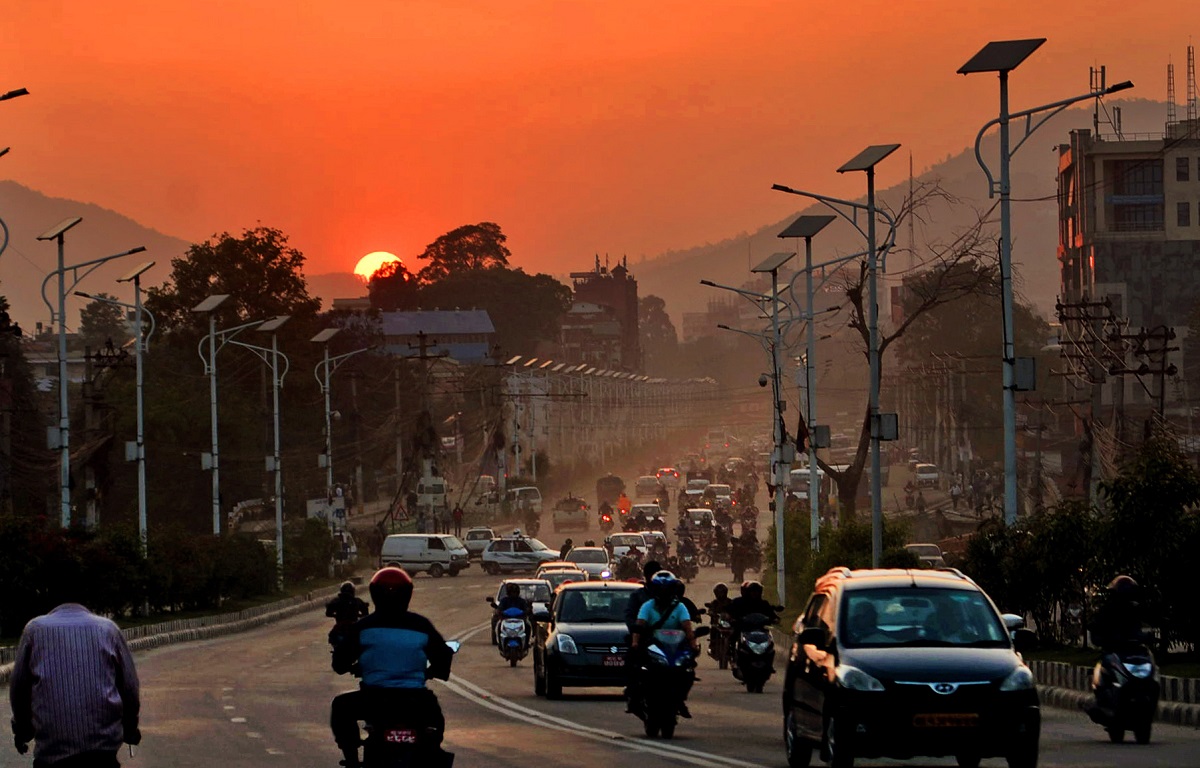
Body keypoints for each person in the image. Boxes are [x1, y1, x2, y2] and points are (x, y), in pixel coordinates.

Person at [331, 567, 453, 768]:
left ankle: (352, 760)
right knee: (435, 723)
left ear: (374, 593)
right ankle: (432, 758)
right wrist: (434, 671)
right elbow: (442, 657)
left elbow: (340, 663)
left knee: (340, 707)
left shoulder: (363, 627)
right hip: (415, 700)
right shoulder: (421, 625)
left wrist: (351, 666)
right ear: (407, 594)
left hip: (375, 700)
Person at [10, 588, 141, 767]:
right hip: (102, 754)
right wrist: (130, 728)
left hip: (51, 755)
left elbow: (19, 691)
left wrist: (23, 730)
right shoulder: (108, 629)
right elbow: (130, 689)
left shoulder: (35, 630)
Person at [631, 571, 699, 718]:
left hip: (674, 648)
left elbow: (687, 628)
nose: (663, 593)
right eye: (660, 589)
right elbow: (639, 625)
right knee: (638, 669)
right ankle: (638, 698)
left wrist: (693, 644)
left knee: (688, 671)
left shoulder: (680, 607)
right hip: (653, 647)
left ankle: (680, 699)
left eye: (667, 589)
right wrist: (635, 642)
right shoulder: (647, 606)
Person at [1089, 575, 1144, 651]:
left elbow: (1139, 628)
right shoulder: (1106, 610)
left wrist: (1146, 636)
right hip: (1113, 652)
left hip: (1134, 652)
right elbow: (1096, 631)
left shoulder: (1135, 609)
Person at [326, 581, 370, 647]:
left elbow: (328, 613)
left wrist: (335, 615)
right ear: (353, 591)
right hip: (351, 627)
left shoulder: (336, 601)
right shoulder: (357, 601)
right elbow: (366, 613)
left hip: (343, 626)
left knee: (333, 636)